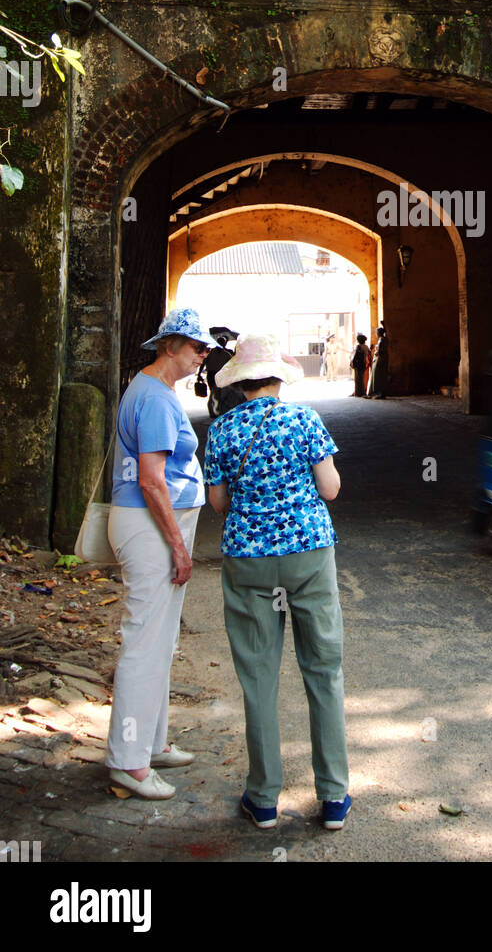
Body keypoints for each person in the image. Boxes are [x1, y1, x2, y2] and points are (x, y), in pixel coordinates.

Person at [204, 332, 351, 832]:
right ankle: (333, 798)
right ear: (277, 378)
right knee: (323, 672)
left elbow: (218, 504)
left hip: (248, 560)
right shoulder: (305, 419)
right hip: (309, 554)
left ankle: (263, 799)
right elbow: (330, 489)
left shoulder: (221, 431)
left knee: (259, 679)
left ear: (240, 383)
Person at [106, 308, 218, 799]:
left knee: (158, 641)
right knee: (144, 644)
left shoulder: (154, 389)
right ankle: (128, 762)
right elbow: (152, 481)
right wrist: (178, 545)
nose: (203, 356)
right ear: (170, 346)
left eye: (207, 349)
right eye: (198, 347)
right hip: (151, 528)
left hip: (156, 525)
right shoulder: (153, 397)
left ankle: (149, 743)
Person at [367, 323, 389, 399]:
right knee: (382, 375)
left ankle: (377, 392)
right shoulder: (385, 338)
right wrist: (384, 326)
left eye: (376, 332)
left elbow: (379, 351)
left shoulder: (381, 340)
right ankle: (380, 392)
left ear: (379, 333)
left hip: (379, 359)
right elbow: (386, 333)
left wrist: (375, 353)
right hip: (383, 359)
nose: (376, 334)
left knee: (377, 376)